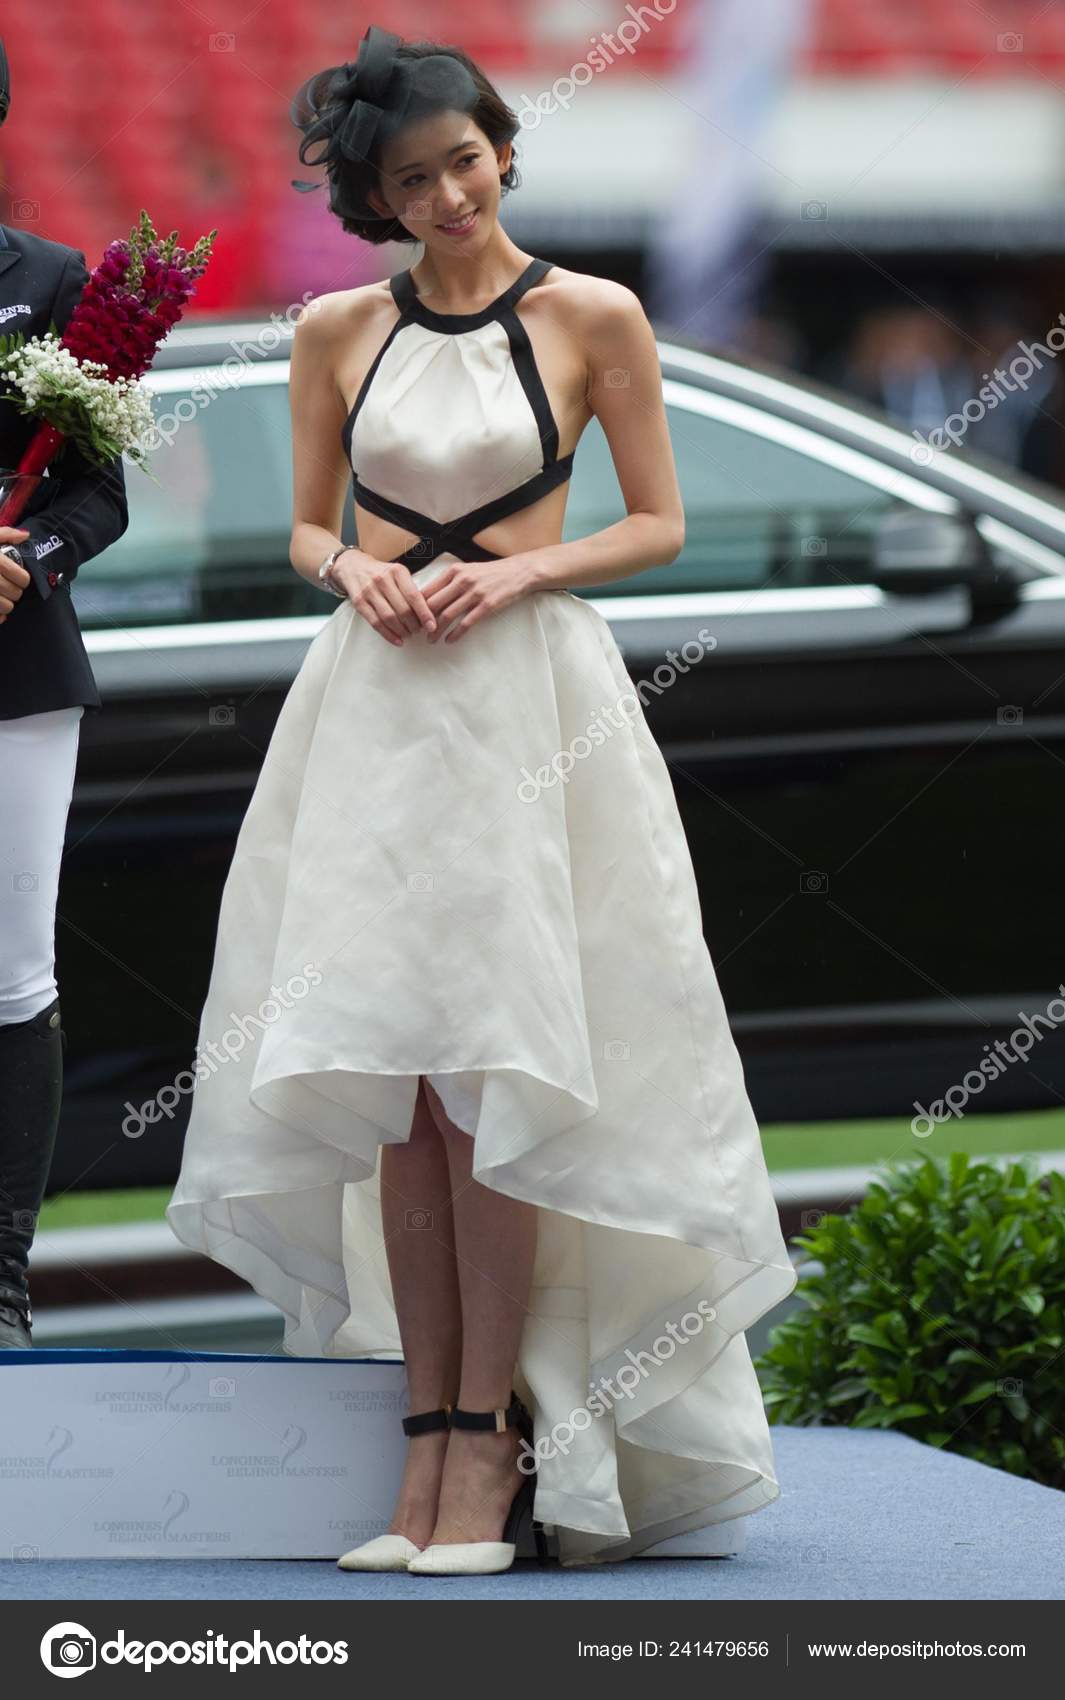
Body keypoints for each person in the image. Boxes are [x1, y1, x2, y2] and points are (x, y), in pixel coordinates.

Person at [165, 25, 795, 1574]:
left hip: (532, 707)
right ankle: (427, 1448)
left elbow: (655, 521)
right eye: (412, 180)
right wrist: (357, 570)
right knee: (395, 1084)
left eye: (464, 160)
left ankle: (496, 1449)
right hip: (373, 711)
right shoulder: (329, 330)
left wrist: (520, 571)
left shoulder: (596, 314)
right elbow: (307, 531)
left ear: (504, 145)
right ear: (377, 200)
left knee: (498, 1076)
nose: (449, 194)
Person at [0, 36, 130, 1348]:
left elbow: (98, 489)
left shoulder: (46, 282)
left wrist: (26, 554)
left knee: (7, 980)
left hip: (11, 681)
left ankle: (2, 1284)